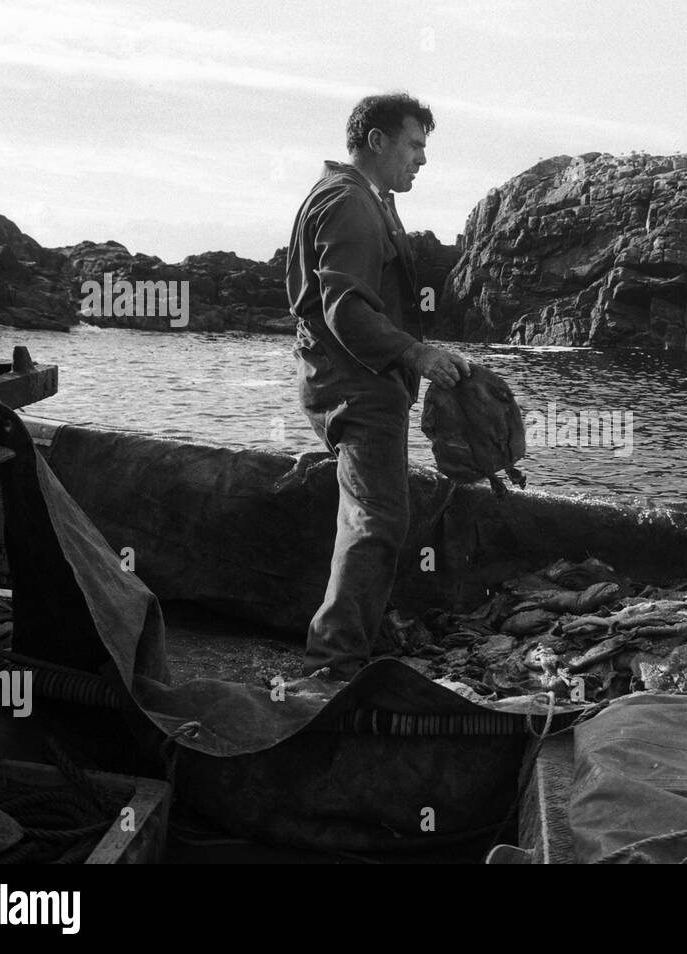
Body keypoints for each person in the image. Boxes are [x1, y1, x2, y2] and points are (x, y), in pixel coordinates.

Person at [286, 92, 468, 680]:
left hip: (343, 384)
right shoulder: (353, 205)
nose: (421, 159)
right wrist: (417, 354)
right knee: (379, 519)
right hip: (357, 391)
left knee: (367, 512)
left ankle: (349, 637)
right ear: (377, 140)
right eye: (414, 145)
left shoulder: (363, 199)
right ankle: (334, 666)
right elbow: (346, 309)